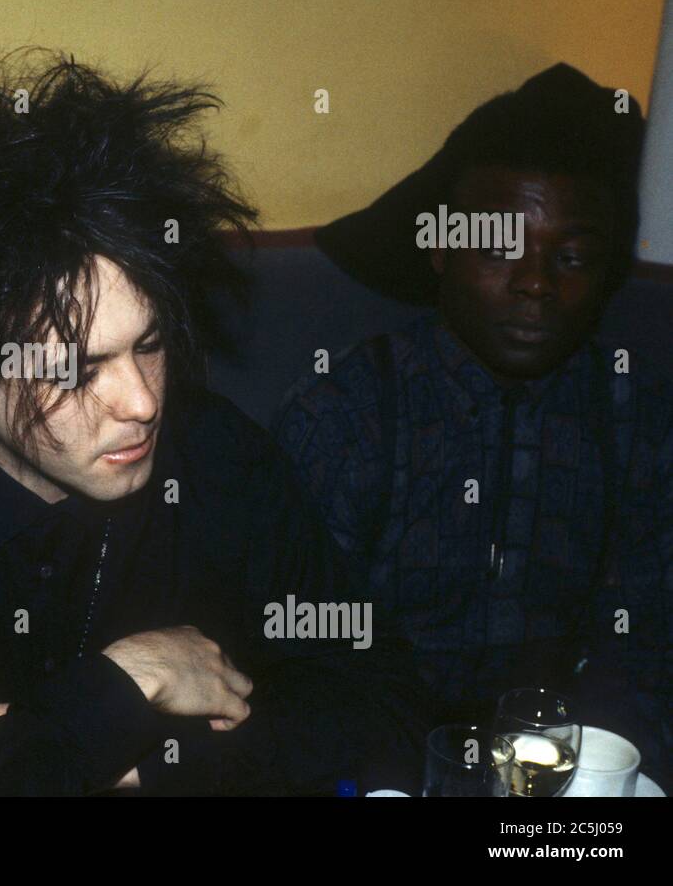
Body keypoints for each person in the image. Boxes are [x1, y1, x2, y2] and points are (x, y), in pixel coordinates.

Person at [0, 50, 425, 796]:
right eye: (79, 372)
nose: (144, 402)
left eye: (148, 346)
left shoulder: (217, 453)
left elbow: (379, 690)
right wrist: (132, 680)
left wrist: (125, 762)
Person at [274, 63, 669, 786]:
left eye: (572, 257)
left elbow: (648, 635)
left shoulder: (635, 417)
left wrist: (597, 761)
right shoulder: (348, 412)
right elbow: (300, 639)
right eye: (498, 247)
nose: (537, 282)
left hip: (563, 758)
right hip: (373, 757)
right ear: (441, 249)